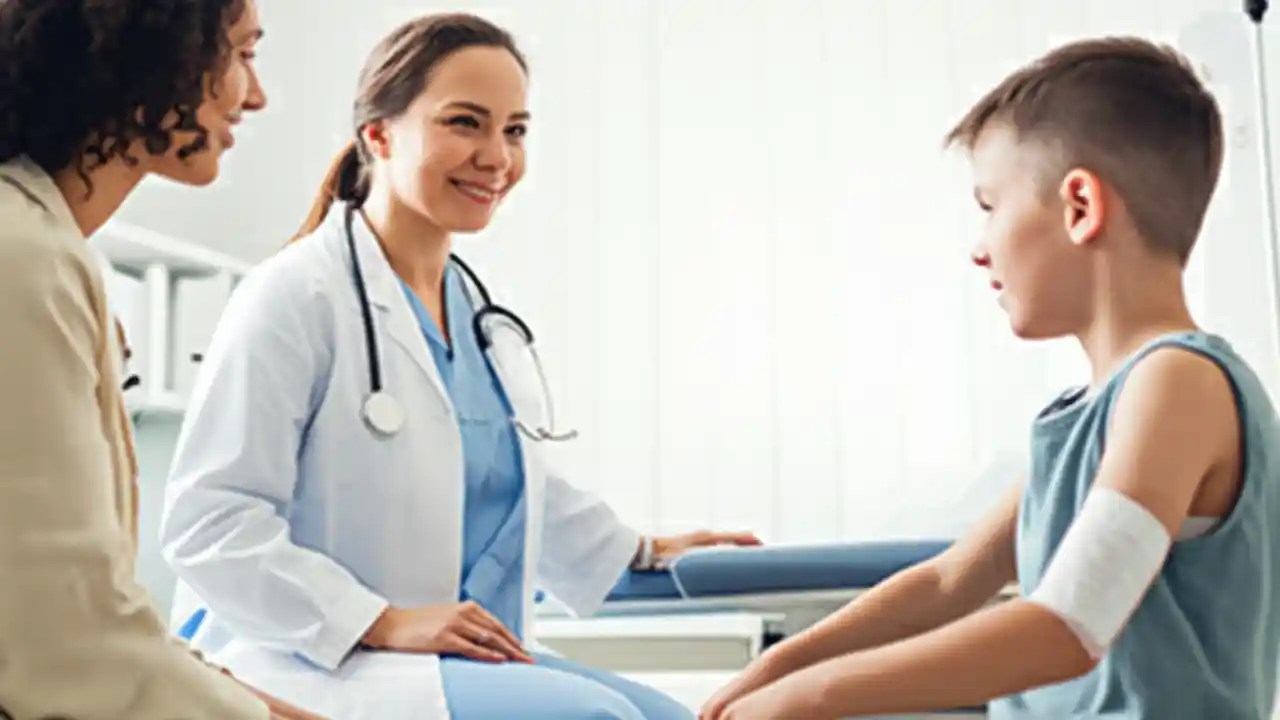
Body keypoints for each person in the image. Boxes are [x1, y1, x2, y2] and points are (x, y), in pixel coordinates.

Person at [158, 12, 759, 720]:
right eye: (465, 123)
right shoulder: (295, 295)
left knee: (676, 718)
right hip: (315, 655)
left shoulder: (476, 314)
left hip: (449, 653)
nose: (497, 156)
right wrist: (379, 619)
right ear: (377, 135)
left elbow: (499, 481)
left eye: (515, 129)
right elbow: (208, 523)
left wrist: (640, 547)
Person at [700, 37, 1280, 720]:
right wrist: (777, 666)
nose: (979, 248)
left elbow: (1070, 626)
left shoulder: (1179, 384)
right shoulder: (1085, 413)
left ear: (1080, 207)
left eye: (989, 204)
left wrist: (809, 695)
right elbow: (948, 582)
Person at [0, 1, 324, 718]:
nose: (258, 94)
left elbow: (90, 624)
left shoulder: (48, 251)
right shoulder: (22, 261)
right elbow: (68, 646)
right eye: (241, 54)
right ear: (150, 53)